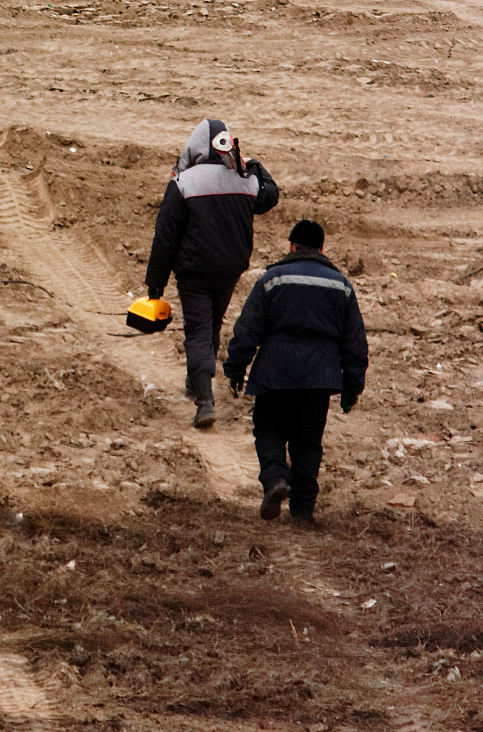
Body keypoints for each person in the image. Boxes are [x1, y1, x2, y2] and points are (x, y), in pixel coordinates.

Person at [223, 219, 368, 525]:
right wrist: (352, 388)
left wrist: (236, 368)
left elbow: (248, 328)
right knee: (308, 441)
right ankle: (303, 509)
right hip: (320, 375)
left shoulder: (273, 279)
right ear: (322, 249)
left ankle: (276, 478)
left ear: (291, 246)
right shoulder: (341, 285)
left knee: (269, 429)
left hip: (276, 371)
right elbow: (354, 341)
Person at [142, 118, 279, 430]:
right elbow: (271, 194)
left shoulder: (184, 183)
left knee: (199, 330)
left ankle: (204, 400)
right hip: (230, 268)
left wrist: (155, 285)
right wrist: (253, 164)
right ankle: (197, 383)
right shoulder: (244, 180)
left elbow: (166, 237)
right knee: (212, 323)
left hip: (194, 271)